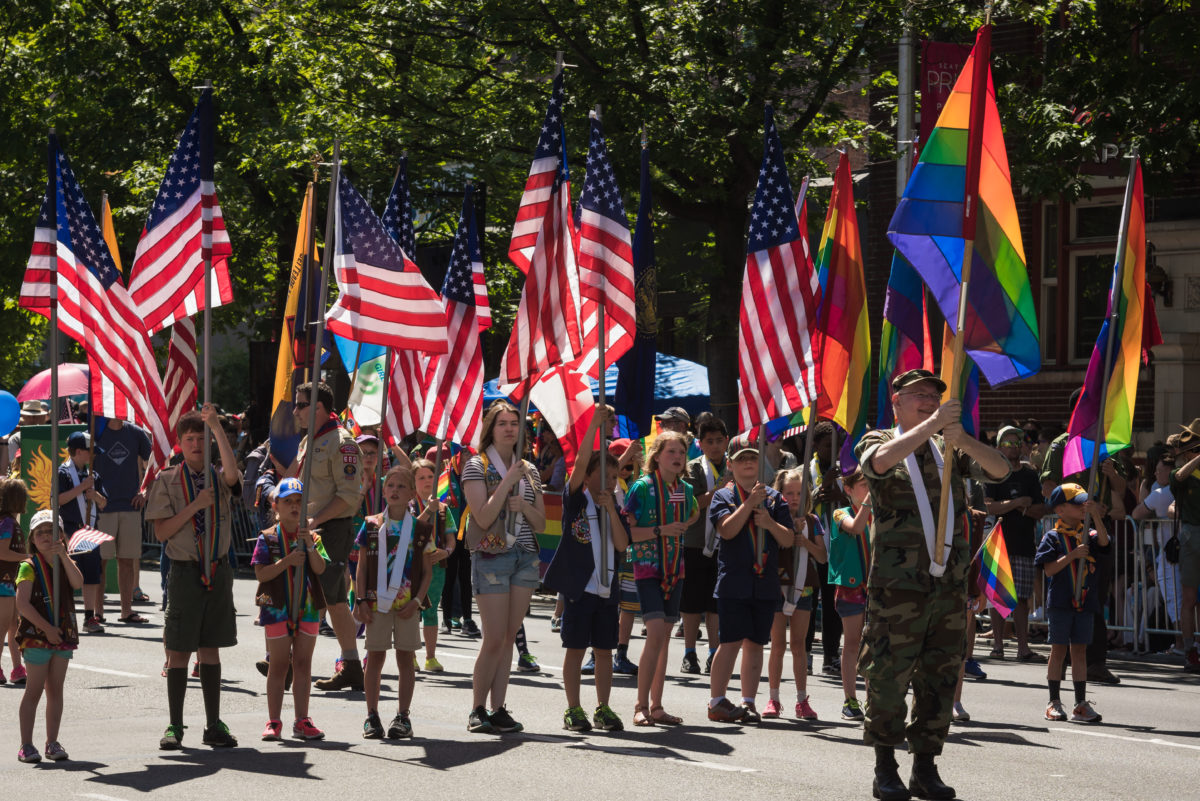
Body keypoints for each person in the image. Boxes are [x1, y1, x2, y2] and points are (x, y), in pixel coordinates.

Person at [855, 369, 1010, 801]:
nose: (927, 400)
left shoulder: (947, 449)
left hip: (946, 588)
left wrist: (961, 439)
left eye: (933, 395)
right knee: (887, 679)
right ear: (896, 402)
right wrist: (932, 425)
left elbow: (999, 471)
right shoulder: (878, 439)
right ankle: (885, 766)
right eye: (918, 395)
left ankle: (925, 766)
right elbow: (879, 464)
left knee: (939, 680)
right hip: (897, 589)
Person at [145, 405, 242, 750]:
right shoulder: (168, 480)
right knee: (179, 650)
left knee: (210, 648)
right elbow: (161, 532)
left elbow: (233, 474)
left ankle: (213, 723)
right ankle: (174, 725)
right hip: (185, 571)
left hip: (218, 569)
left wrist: (215, 425)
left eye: (202, 439)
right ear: (180, 445)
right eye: (190, 440)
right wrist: (195, 506)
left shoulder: (219, 476)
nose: (197, 445)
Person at [543, 405, 630, 732]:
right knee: (576, 650)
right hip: (581, 589)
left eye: (614, 475)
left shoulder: (613, 505)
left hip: (607, 590)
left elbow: (622, 545)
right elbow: (578, 464)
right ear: (589, 477)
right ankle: (573, 708)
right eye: (602, 474)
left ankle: (603, 707)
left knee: (604, 650)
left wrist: (611, 511)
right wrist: (595, 425)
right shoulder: (577, 500)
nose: (609, 480)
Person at [461, 400, 546, 734]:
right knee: (494, 636)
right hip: (492, 555)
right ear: (490, 429)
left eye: (515, 422)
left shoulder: (531, 470)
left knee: (509, 636)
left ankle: (499, 708)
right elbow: (481, 516)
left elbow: (539, 523)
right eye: (502, 423)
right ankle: (477, 708)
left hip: (525, 555)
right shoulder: (476, 465)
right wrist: (508, 481)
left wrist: (524, 502)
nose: (510, 428)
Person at [706, 444, 794, 723]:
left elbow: (788, 540)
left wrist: (769, 522)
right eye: (741, 459)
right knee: (730, 641)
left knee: (756, 643)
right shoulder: (723, 496)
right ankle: (717, 701)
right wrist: (747, 505)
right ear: (730, 465)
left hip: (765, 582)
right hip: (734, 580)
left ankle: (748, 701)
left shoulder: (775, 499)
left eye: (752, 459)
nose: (747, 463)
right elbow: (727, 530)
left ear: (760, 465)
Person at [291, 382, 365, 692]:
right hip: (308, 528)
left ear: (319, 408)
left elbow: (349, 497)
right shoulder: (311, 439)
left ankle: (350, 665)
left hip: (330, 530)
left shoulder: (343, 443)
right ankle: (286, 660)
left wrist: (314, 520)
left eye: (301, 404)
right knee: (301, 594)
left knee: (334, 599)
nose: (295, 410)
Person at [354, 466, 436, 739]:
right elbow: (362, 566)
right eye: (390, 485)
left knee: (405, 658)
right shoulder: (372, 524)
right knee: (374, 658)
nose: (395, 490)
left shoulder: (422, 529)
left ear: (412, 494)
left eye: (402, 486)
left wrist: (417, 601)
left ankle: (403, 715)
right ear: (384, 491)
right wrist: (360, 598)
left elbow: (427, 572)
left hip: (406, 606)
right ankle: (372, 715)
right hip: (376, 604)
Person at [624, 431, 697, 726]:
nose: (678, 457)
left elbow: (692, 514)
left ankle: (657, 706)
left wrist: (684, 522)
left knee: (664, 639)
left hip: (675, 570)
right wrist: (660, 530)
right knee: (655, 634)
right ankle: (640, 705)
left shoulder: (685, 490)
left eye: (681, 452)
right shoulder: (641, 488)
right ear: (656, 455)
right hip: (647, 569)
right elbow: (627, 533)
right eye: (671, 452)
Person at [251, 477, 329, 741]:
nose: (294, 507)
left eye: (299, 502)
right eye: (288, 502)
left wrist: (308, 546)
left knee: (303, 664)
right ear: (276, 506)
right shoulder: (267, 538)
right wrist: (287, 561)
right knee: (279, 665)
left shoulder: (314, 537)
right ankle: (274, 721)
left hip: (307, 609)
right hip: (277, 608)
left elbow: (320, 569)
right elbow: (261, 574)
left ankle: (302, 720)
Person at [1036, 483, 1111, 722]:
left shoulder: (1088, 534)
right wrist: (1071, 556)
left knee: (1079, 651)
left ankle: (1080, 703)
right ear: (1060, 510)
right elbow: (1049, 570)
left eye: (1085, 503)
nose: (1083, 507)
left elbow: (1105, 543)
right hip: (1060, 602)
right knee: (1058, 650)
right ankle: (1054, 701)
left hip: (1085, 602)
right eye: (1078, 504)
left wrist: (1096, 515)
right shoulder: (1052, 537)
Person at [15, 510, 84, 763]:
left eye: (51, 531)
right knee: (34, 690)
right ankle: (26, 744)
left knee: (56, 689)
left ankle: (52, 742)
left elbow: (78, 582)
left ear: (61, 536)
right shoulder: (28, 566)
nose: (45, 536)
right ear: (32, 538)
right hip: (37, 636)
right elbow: (23, 604)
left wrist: (64, 555)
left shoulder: (64, 563)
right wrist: (47, 628)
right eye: (40, 532)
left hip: (64, 633)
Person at [763, 467, 825, 720]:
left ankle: (802, 700)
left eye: (799, 493)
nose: (794, 498)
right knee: (777, 644)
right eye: (788, 493)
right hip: (777, 585)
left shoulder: (812, 521)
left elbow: (822, 556)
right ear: (779, 493)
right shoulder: (773, 518)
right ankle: (773, 698)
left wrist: (805, 541)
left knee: (799, 645)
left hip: (804, 587)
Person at [984, 425, 1049, 662]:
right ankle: (998, 646)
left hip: (1023, 543)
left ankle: (1023, 648)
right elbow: (988, 506)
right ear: (999, 446)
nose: (1012, 447)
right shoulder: (993, 472)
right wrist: (1017, 503)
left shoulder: (1030, 475)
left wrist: (1019, 507)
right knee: (996, 596)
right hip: (998, 541)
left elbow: (1040, 509)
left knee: (1022, 598)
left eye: (1016, 443)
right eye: (1007, 443)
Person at [679, 415, 730, 675]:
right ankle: (689, 652)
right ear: (700, 443)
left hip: (726, 543)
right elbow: (692, 504)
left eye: (719, 440)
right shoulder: (693, 468)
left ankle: (713, 653)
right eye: (709, 441)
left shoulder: (735, 466)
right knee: (691, 603)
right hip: (696, 542)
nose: (715, 446)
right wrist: (719, 489)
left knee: (715, 603)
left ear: (727, 441)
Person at [92, 418, 153, 625]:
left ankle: (126, 611)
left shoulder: (136, 433)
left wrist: (145, 492)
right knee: (100, 562)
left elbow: (154, 463)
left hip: (130, 506)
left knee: (127, 561)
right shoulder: (96, 431)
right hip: (102, 507)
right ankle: (97, 612)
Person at [828, 468, 872, 721]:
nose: (869, 489)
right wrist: (869, 501)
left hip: (875, 585)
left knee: (873, 645)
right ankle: (850, 699)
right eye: (864, 484)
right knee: (853, 643)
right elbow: (855, 528)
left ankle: (871, 700)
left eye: (871, 485)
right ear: (848, 489)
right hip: (851, 587)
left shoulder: (878, 514)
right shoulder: (839, 513)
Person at [57, 431, 107, 634]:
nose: (93, 456)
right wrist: (82, 488)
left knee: (91, 574)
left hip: (89, 529)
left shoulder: (93, 474)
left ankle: (89, 616)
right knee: (67, 573)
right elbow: (58, 500)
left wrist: (94, 494)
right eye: (90, 452)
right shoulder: (63, 473)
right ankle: (63, 615)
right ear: (78, 452)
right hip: (69, 528)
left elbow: (104, 503)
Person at [807, 421, 845, 678]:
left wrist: (840, 496)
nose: (833, 450)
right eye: (827, 445)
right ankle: (805, 652)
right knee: (808, 601)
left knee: (834, 604)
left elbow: (857, 499)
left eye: (837, 445)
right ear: (816, 446)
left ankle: (831, 655)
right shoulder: (804, 471)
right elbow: (798, 502)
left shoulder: (847, 470)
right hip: (812, 544)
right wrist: (822, 490)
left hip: (838, 545)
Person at [411, 458, 455, 673]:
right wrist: (428, 510)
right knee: (410, 610)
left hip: (436, 567)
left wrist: (445, 552)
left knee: (431, 610)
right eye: (421, 477)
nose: (427, 481)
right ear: (413, 481)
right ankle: (409, 654)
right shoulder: (408, 506)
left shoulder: (444, 509)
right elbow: (411, 531)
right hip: (410, 567)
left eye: (430, 476)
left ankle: (430, 657)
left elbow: (451, 540)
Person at [1168, 419, 1200, 673]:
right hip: (1192, 536)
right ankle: (1190, 649)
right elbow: (1178, 477)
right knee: (1189, 597)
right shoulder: (1182, 471)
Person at [610, 437, 643, 676]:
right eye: (622, 464)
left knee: (629, 606)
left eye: (630, 466)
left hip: (631, 551)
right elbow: (607, 478)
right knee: (607, 603)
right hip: (609, 551)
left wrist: (639, 464)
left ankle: (621, 652)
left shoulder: (635, 485)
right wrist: (627, 454)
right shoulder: (608, 484)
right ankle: (597, 651)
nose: (626, 470)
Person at [0, 478, 29, 686]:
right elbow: (2, 552)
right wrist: (26, 558)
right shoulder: (7, 522)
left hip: (9, 582)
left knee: (13, 627)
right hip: (3, 581)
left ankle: (17, 668)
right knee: (2, 627)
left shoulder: (10, 521)